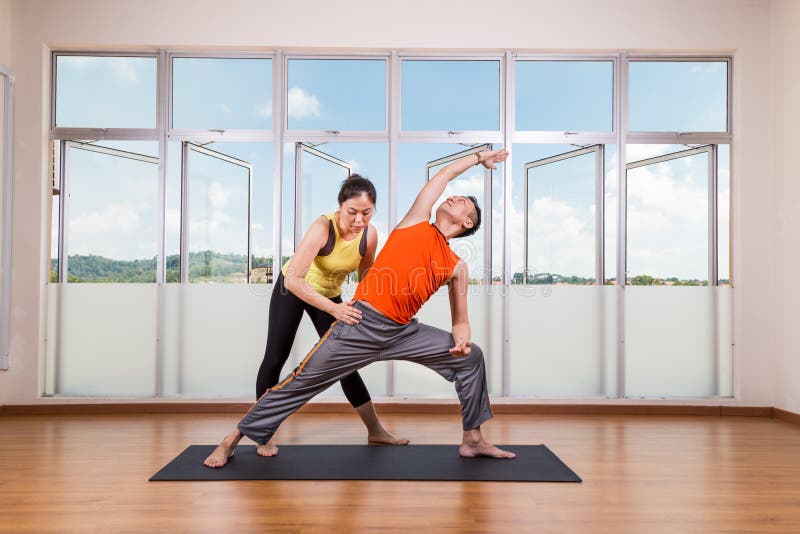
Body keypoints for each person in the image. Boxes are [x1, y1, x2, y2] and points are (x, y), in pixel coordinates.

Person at [205, 148, 514, 468]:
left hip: (404, 332)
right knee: (299, 382)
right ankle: (231, 440)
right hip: (361, 323)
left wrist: (462, 338)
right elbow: (444, 174)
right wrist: (478, 158)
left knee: (472, 357)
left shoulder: (458, 267)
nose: (453, 197)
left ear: (467, 222)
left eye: (462, 201)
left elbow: (460, 320)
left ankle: (473, 439)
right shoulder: (416, 222)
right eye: (453, 195)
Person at [256, 174, 407, 456]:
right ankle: (263, 434)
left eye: (366, 212)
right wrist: (334, 309)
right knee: (275, 357)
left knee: (344, 361)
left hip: (329, 294)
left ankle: (376, 431)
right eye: (352, 212)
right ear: (340, 206)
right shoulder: (322, 228)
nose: (359, 220)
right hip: (294, 288)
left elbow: (366, 275)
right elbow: (293, 280)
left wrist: (370, 306)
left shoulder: (370, 234)